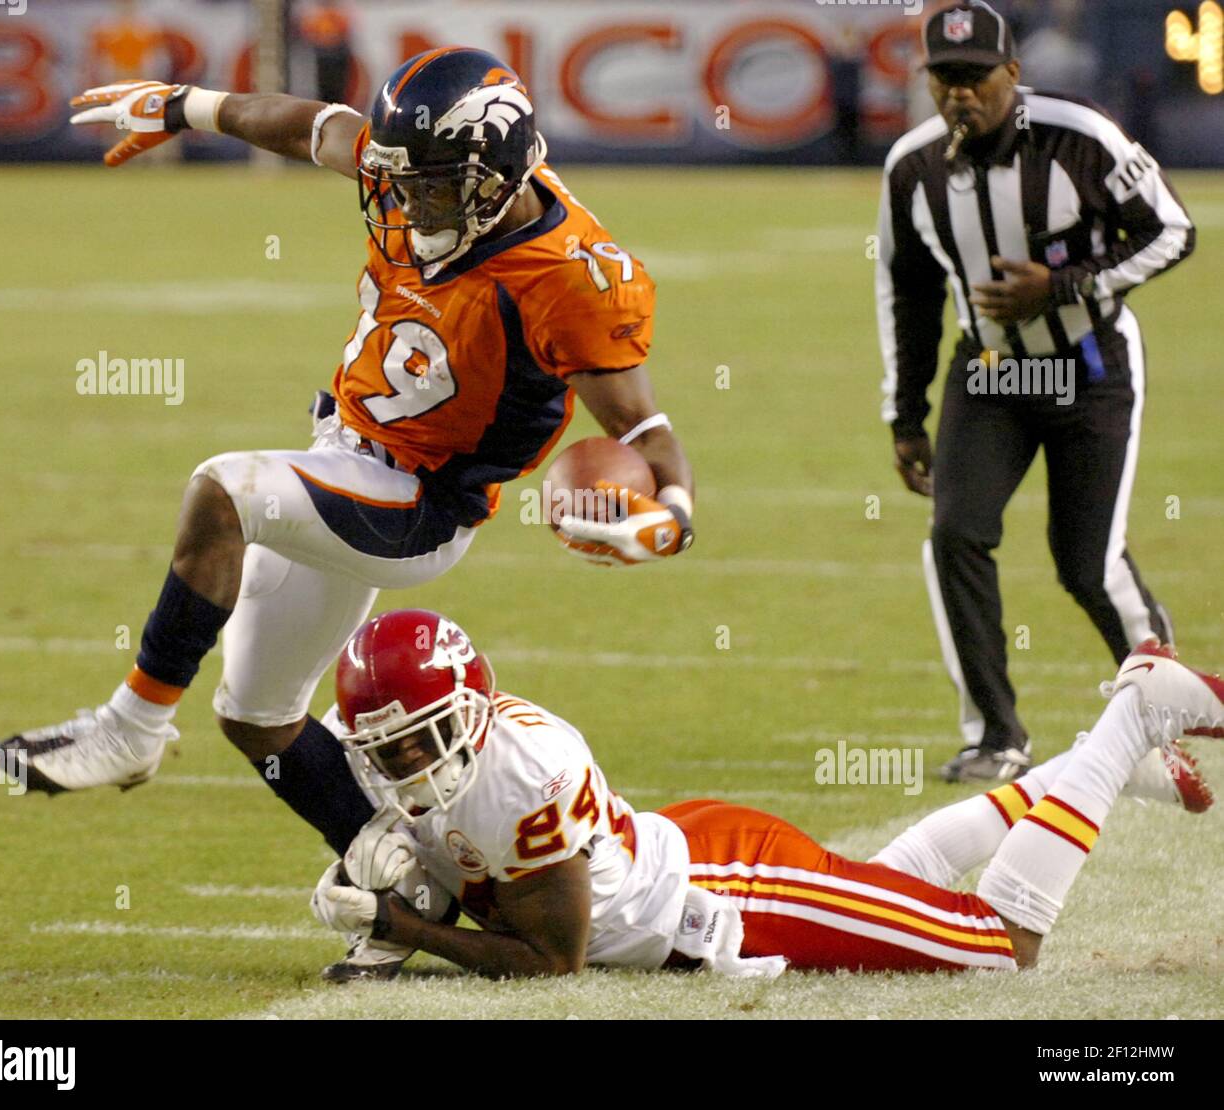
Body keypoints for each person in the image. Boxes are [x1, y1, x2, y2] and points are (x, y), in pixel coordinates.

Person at [0, 49, 695, 867]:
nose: (412, 201)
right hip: (344, 456)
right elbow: (308, 126)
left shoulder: (570, 278)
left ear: (499, 170)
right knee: (257, 715)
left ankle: (131, 727)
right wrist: (186, 106)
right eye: (404, 181)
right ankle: (394, 877)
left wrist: (672, 517)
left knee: (224, 490)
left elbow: (641, 428)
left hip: (420, 500)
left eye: (437, 185)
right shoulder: (408, 169)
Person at [306, 608, 1219, 981]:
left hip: (730, 890)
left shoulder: (519, 771)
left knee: (994, 944)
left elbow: (552, 958)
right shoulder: (417, 759)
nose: (409, 764)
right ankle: (1085, 770)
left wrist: (406, 931)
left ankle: (1138, 712)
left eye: (423, 739)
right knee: (892, 891)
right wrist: (396, 879)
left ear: (467, 715)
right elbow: (463, 861)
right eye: (389, 749)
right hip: (687, 845)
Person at [876, 1, 1194, 783]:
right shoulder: (912, 166)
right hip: (989, 372)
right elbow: (907, 292)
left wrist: (1062, 286)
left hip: (1088, 367)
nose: (960, 95)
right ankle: (995, 733)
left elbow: (1171, 230)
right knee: (956, 533)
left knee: (1086, 563)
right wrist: (904, 415)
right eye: (944, 78)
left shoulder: (1079, 137)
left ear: (1012, 74)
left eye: (976, 78)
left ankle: (1166, 711)